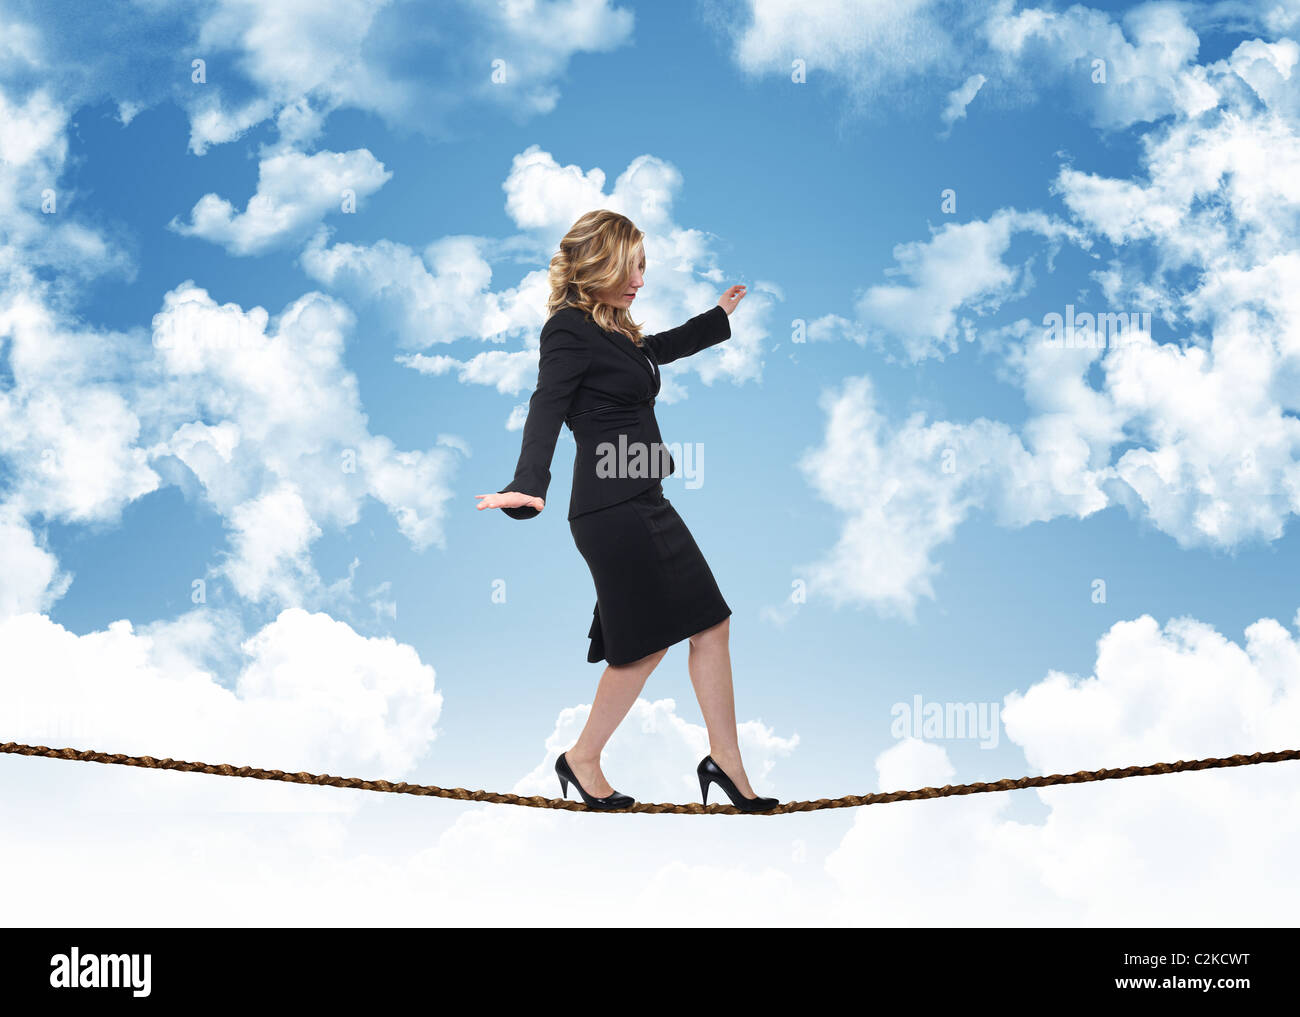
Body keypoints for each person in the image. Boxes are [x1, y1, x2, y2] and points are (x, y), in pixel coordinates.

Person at [475, 210, 779, 813]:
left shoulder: (617, 333)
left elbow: (659, 350)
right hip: (611, 509)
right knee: (648, 644)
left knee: (707, 625)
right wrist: (528, 482)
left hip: (644, 499)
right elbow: (546, 405)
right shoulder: (566, 330)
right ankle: (587, 759)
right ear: (599, 264)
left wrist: (718, 318)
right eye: (631, 266)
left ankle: (720, 761)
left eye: (643, 268)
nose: (640, 279)